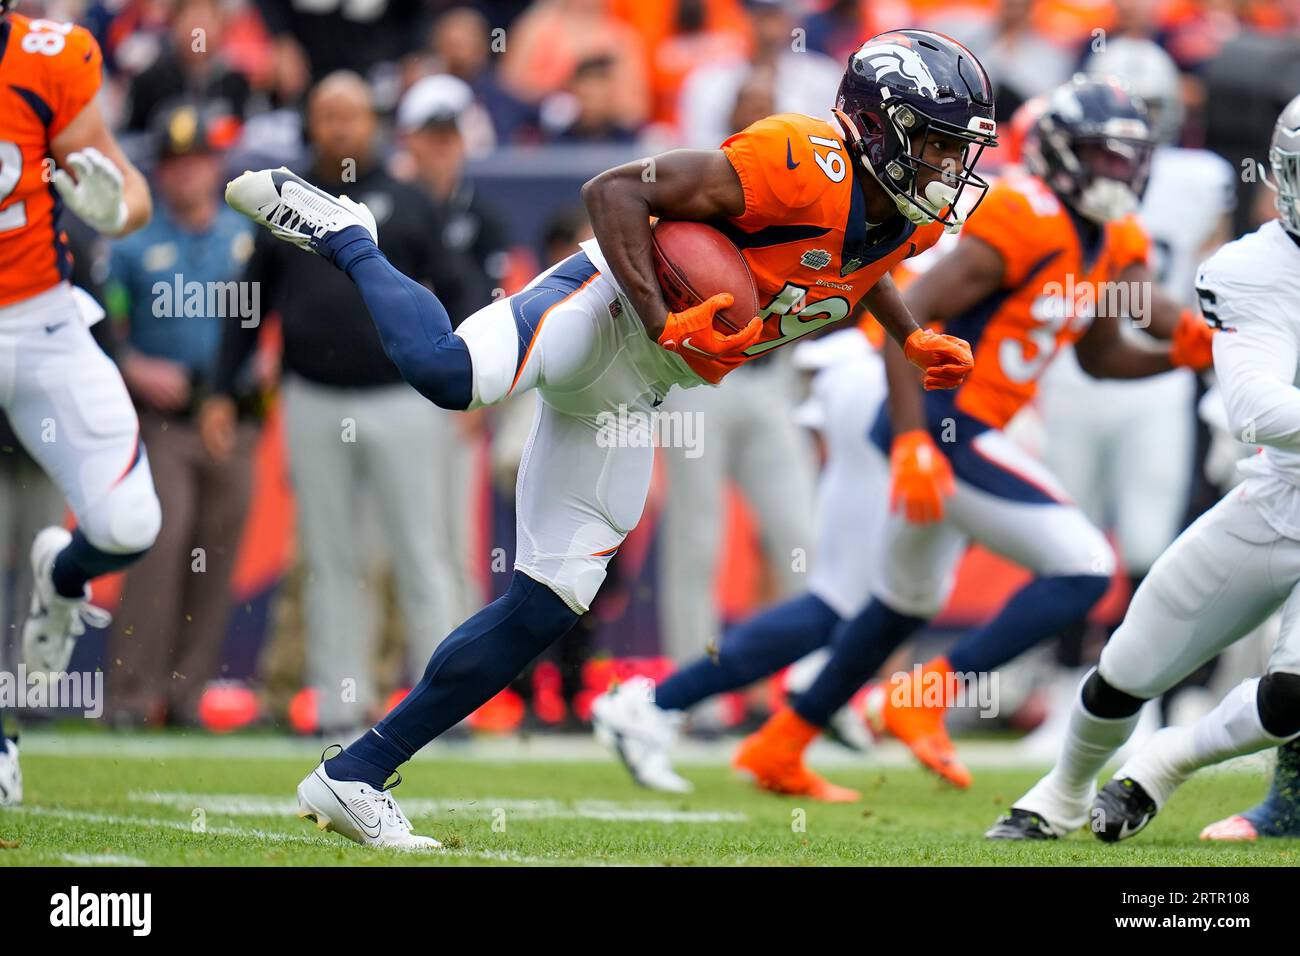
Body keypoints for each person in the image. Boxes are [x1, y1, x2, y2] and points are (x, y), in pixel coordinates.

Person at [225, 29, 996, 848]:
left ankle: (355, 774)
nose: (949, 168)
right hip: (608, 305)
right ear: (877, 125)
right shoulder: (798, 158)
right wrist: (663, 318)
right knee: (448, 373)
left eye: (958, 150)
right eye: (938, 144)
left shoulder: (907, 222)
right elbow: (615, 191)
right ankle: (350, 237)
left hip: (646, 385)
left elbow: (856, 268)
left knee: (545, 606)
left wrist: (909, 336)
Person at [732, 75, 1216, 800]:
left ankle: (781, 743)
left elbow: (1104, 350)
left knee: (900, 604)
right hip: (944, 426)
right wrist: (911, 442)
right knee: (1085, 568)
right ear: (1060, 154)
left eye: (1127, 159)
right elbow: (908, 320)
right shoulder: (1024, 214)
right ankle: (922, 697)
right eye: (1101, 157)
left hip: (964, 431)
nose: (1117, 174)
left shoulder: (1114, 237)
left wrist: (1180, 350)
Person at [987, 94, 1300, 843]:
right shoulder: (1257, 268)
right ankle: (1062, 790)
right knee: (1130, 664)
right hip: (1279, 494)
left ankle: (1163, 763)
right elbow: (1255, 409)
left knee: (1294, 692)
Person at [203, 72, 465, 736]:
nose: (341, 127)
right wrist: (221, 390)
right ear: (312, 124)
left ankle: (448, 705)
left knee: (421, 551)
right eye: (328, 115)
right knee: (328, 556)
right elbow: (247, 306)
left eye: (352, 114)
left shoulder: (406, 201)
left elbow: (460, 288)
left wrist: (472, 379)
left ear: (371, 123)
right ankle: (338, 704)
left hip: (400, 398)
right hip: (313, 396)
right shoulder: (286, 206)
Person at [0, 4, 158, 806]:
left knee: (128, 522)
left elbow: (129, 192)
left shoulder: (47, 58)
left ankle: (64, 578)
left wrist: (111, 210)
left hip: (41, 319)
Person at [102, 105, 258, 728]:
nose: (186, 175)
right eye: (175, 164)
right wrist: (132, 364)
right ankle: (132, 693)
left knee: (215, 556)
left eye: (197, 163)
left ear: (214, 168)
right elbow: (103, 328)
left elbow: (274, 316)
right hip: (163, 420)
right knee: (159, 550)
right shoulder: (132, 244)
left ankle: (187, 693)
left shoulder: (246, 238)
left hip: (235, 418)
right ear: (161, 173)